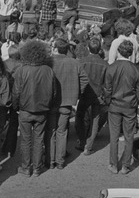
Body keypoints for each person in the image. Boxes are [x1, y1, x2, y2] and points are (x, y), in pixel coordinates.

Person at [12, 38, 58, 177]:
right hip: (42, 110)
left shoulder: (21, 70)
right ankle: (37, 168)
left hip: (25, 109)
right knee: (39, 139)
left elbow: (16, 92)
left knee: (26, 140)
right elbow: (54, 92)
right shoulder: (48, 70)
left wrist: (15, 106)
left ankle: (26, 167)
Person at [102, 39, 139, 175]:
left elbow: (107, 89)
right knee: (129, 136)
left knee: (113, 136)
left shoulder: (112, 67)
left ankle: (113, 164)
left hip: (114, 105)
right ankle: (126, 165)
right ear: (130, 53)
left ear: (119, 51)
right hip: (130, 105)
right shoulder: (135, 69)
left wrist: (107, 101)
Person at [49, 37, 89, 170]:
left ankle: (50, 160)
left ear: (55, 48)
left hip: (51, 102)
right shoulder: (74, 62)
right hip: (66, 102)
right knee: (62, 131)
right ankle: (60, 161)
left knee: (51, 131)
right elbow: (84, 80)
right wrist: (77, 93)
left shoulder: (49, 62)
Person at [75, 36, 107, 155]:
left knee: (80, 116)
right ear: (99, 49)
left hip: (85, 93)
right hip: (98, 94)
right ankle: (88, 146)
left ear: (88, 48)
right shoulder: (105, 64)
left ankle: (82, 141)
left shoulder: (82, 61)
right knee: (95, 119)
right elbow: (106, 82)